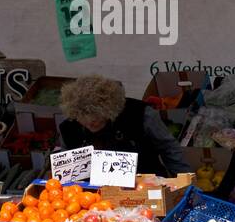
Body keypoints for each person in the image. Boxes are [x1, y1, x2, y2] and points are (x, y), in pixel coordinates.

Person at [55, 75, 190, 176]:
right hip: (93, 199)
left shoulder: (139, 113)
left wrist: (186, 181)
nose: (91, 122)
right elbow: (67, 172)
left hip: (146, 186)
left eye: (97, 115)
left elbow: (169, 148)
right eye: (82, 117)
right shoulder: (68, 128)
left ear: (111, 108)